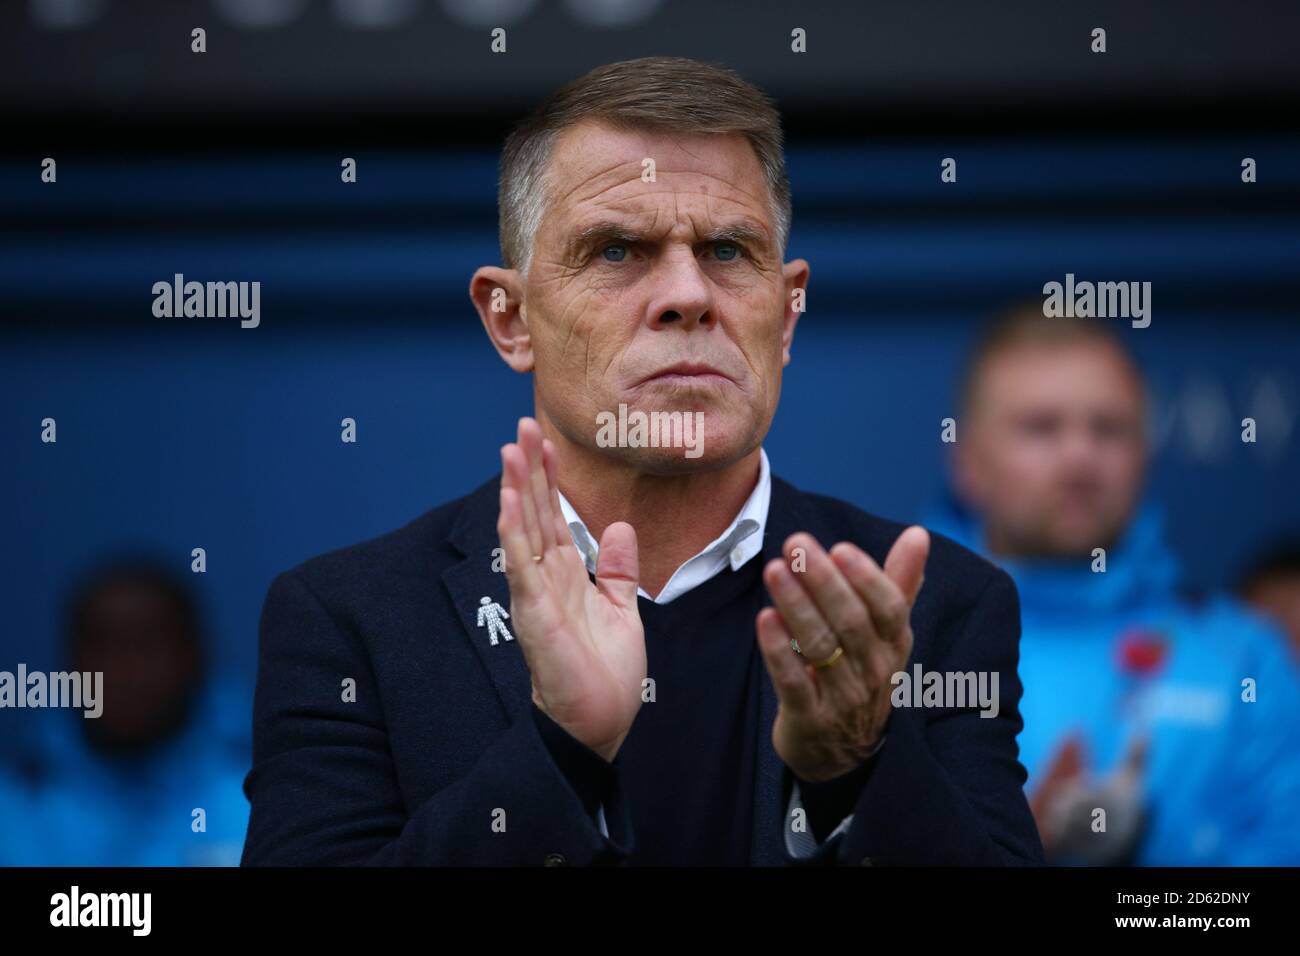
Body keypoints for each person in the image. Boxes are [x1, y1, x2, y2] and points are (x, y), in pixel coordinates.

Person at [240, 56, 1043, 866]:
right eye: (618, 250)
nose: (688, 295)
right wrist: (560, 750)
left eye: (729, 251)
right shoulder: (350, 619)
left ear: (788, 311)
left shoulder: (942, 606)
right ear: (511, 318)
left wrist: (856, 769)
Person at [928, 305, 1300, 865]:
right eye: (1041, 427)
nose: (1080, 458)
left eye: (1109, 428)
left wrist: (1149, 851)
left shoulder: (1246, 656)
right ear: (968, 461)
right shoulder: (892, 642)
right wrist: (1014, 847)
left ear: (1146, 453)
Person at [0, 560, 250, 866]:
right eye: (101, 645)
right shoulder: (12, 810)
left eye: (148, 644)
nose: (124, 671)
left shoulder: (261, 799)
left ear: (195, 657)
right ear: (69, 662)